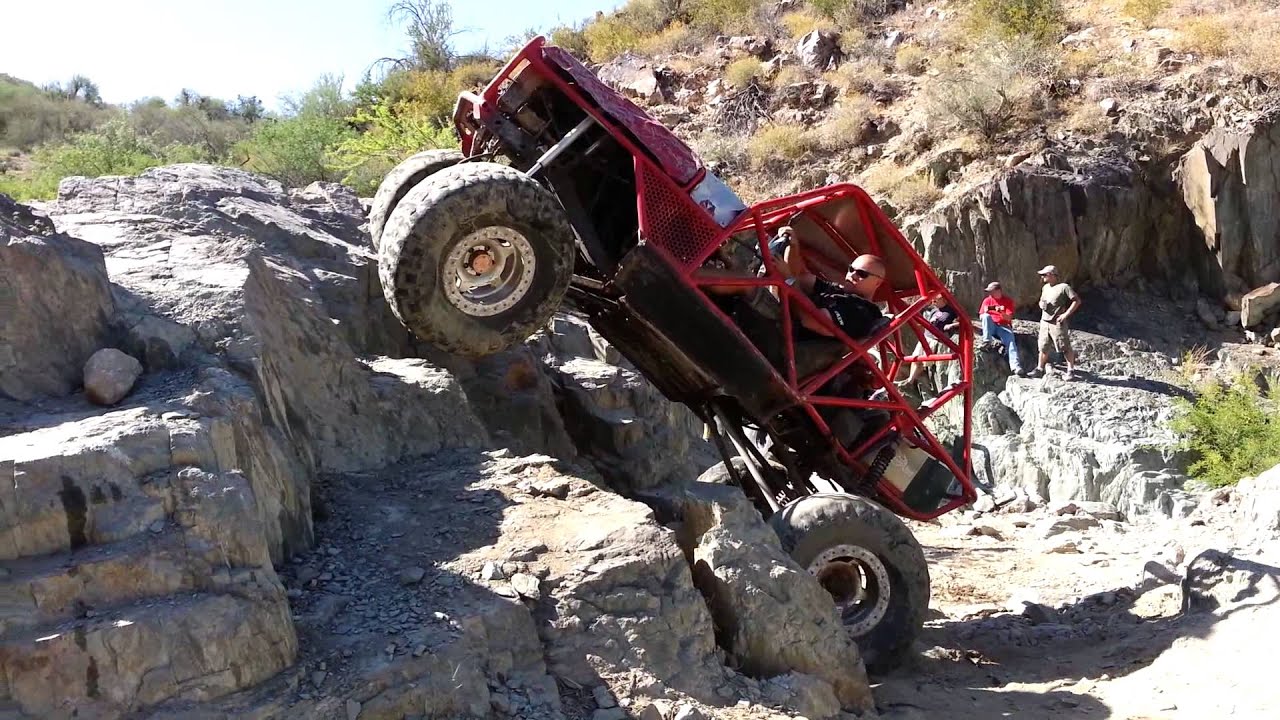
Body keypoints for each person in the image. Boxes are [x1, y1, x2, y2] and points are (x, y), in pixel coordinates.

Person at [895, 295, 960, 387]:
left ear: (943, 299)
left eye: (936, 299)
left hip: (935, 340)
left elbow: (962, 321)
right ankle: (910, 380)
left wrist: (952, 325)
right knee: (915, 357)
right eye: (933, 299)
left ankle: (912, 381)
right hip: (926, 337)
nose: (933, 301)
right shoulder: (933, 310)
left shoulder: (951, 311)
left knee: (924, 361)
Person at [1031, 264, 1081, 380]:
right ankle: (1039, 369)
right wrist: (1040, 304)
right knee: (1043, 346)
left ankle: (1071, 370)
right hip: (1044, 321)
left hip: (1057, 322)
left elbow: (1076, 301)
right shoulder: (1045, 288)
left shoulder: (1064, 287)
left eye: (1044, 275)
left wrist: (1065, 314)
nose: (1042, 277)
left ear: (1052, 275)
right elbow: (1041, 300)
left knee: (1064, 346)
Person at [978, 281, 1023, 375]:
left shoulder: (1007, 301)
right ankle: (987, 341)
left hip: (1003, 326)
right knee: (986, 316)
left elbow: (1009, 318)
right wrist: (988, 313)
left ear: (998, 291)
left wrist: (1001, 312)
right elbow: (981, 316)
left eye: (992, 291)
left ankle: (1015, 366)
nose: (990, 294)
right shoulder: (987, 300)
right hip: (991, 326)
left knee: (1011, 342)